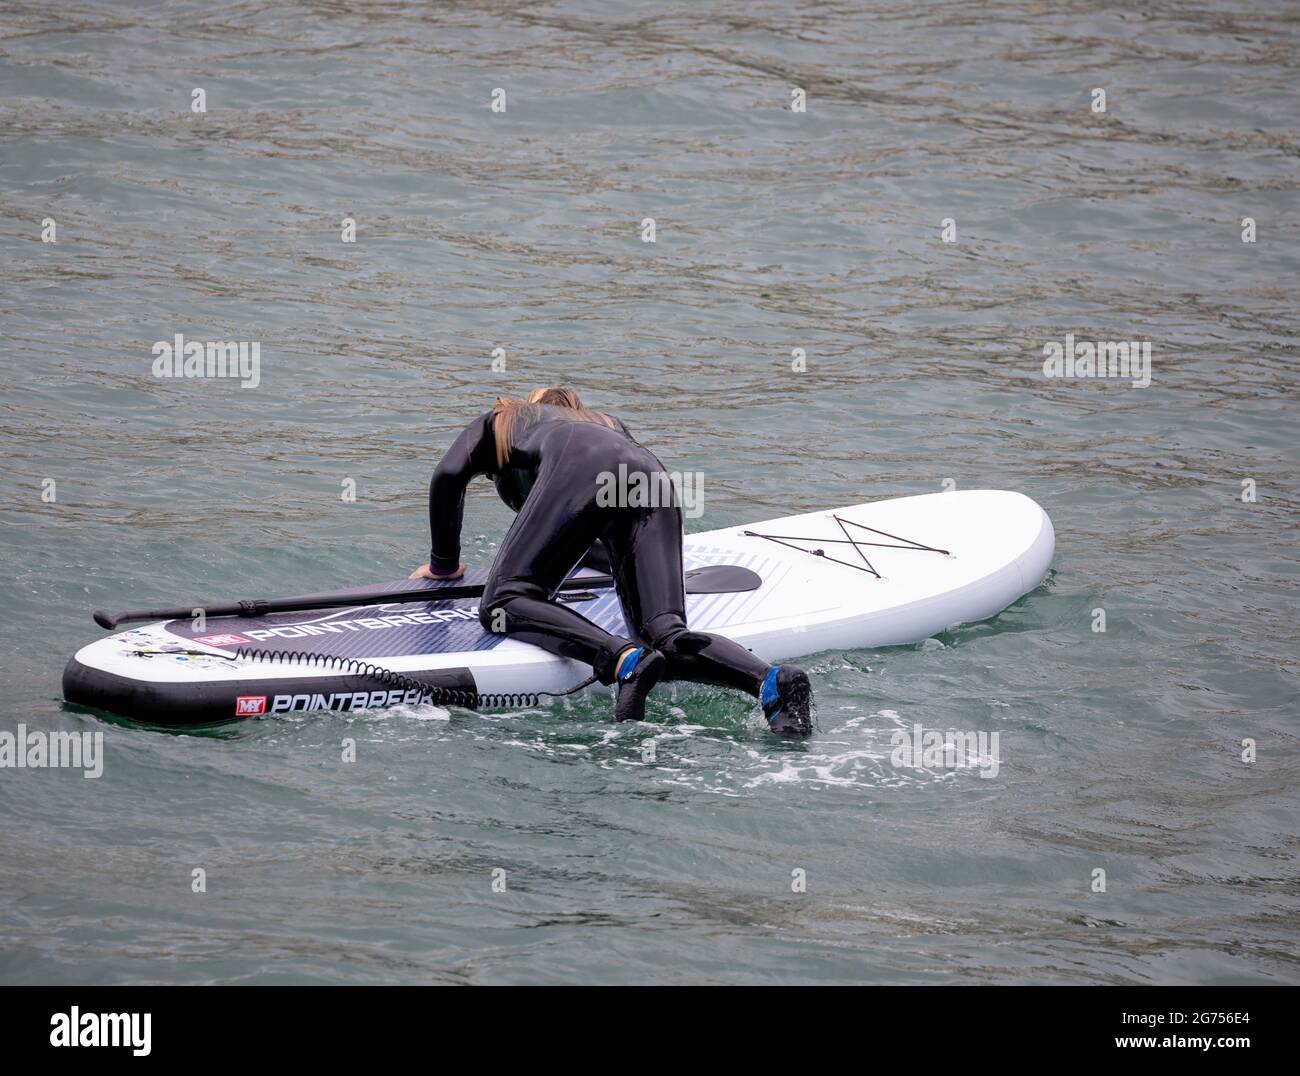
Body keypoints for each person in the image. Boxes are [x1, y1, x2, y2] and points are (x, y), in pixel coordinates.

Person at [410, 388, 813, 735]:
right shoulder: (608, 423)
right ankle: (771, 680)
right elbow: (600, 530)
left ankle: (621, 659)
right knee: (665, 634)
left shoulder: (503, 417)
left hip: (583, 466)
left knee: (504, 601)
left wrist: (443, 566)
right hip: (651, 473)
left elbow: (447, 477)